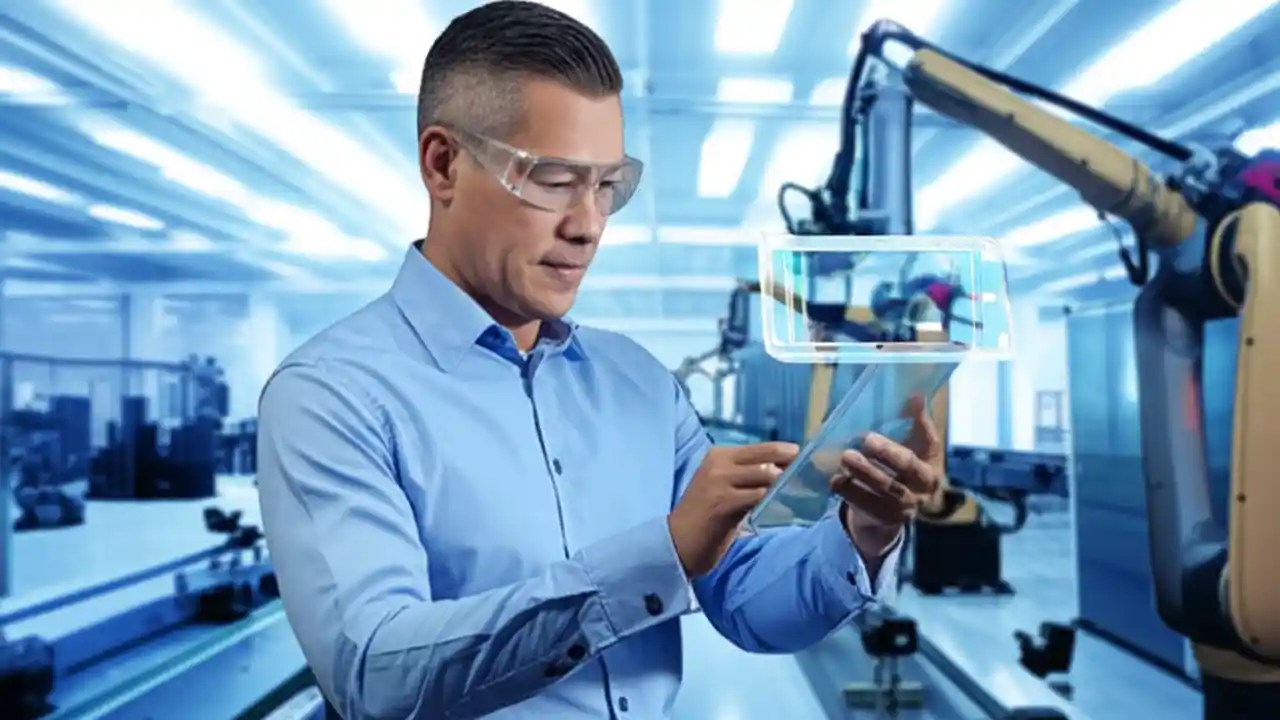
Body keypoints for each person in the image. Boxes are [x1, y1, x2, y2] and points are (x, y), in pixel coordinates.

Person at [255, 2, 943, 718]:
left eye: (607, 186)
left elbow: (744, 600)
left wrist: (863, 533)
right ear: (443, 163)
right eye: (553, 180)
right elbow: (374, 671)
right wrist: (660, 556)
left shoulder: (639, 384)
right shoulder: (331, 396)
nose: (587, 226)